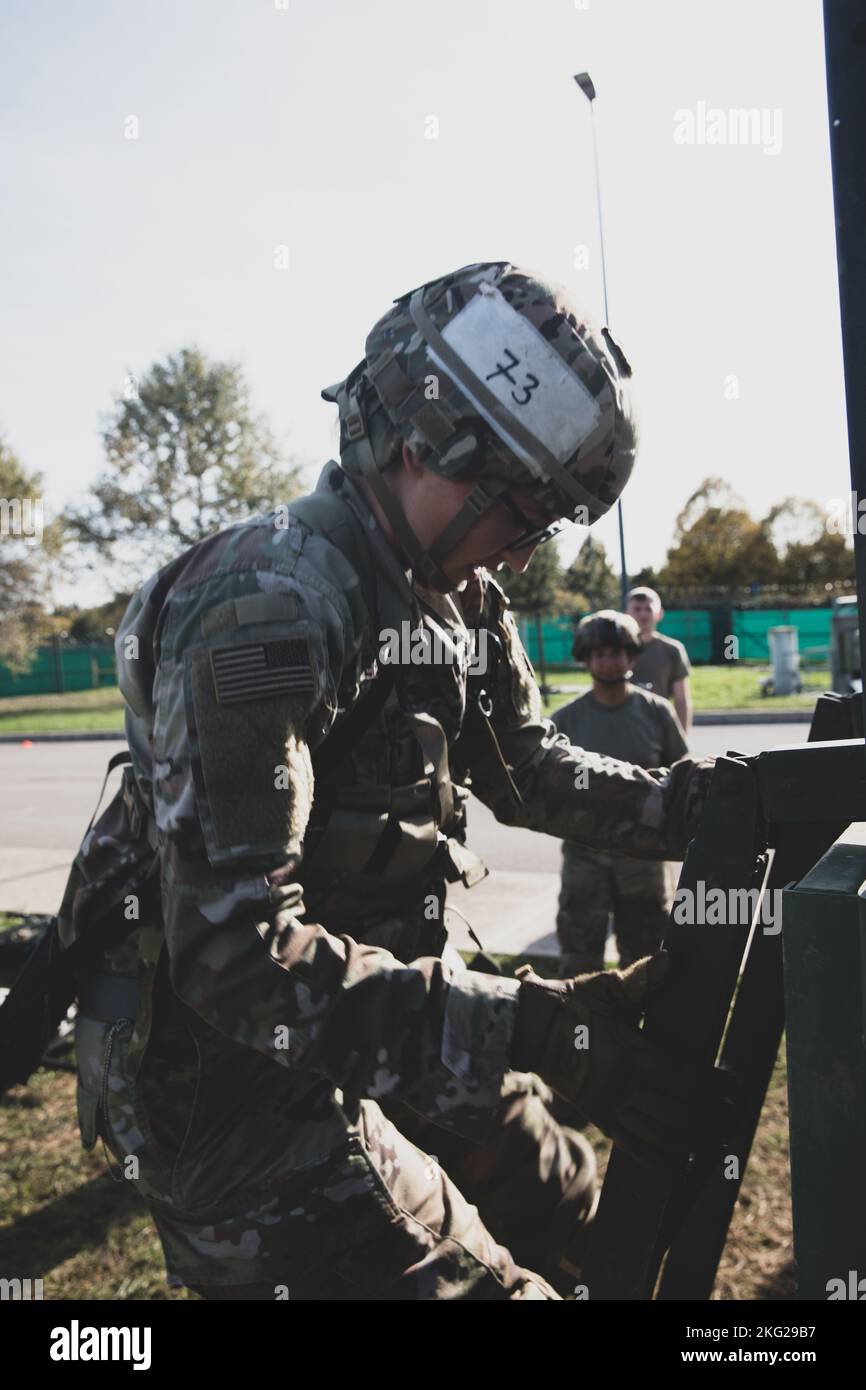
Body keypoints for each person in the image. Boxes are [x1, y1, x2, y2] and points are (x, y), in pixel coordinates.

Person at [61, 261, 715, 1302]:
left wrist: (711, 805)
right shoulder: (267, 605)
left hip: (386, 1014)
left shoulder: (459, 601)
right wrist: (540, 1029)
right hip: (242, 1094)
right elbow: (239, 960)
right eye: (521, 506)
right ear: (423, 444)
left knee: (568, 1203)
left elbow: (529, 770)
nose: (528, 541)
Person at [552, 610, 688, 978]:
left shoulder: (657, 713)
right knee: (579, 961)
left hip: (644, 858)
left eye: (616, 653)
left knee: (647, 960)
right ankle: (580, 1033)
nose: (608, 662)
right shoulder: (566, 720)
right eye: (599, 654)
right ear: (586, 659)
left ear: (631, 656)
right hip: (584, 857)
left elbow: (682, 778)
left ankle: (638, 1035)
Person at [626, 585, 692, 732]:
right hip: (623, 728)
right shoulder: (617, 650)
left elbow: (681, 699)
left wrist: (682, 737)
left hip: (660, 729)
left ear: (659, 613)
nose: (643, 614)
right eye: (637, 609)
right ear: (627, 613)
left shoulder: (673, 650)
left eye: (648, 609)